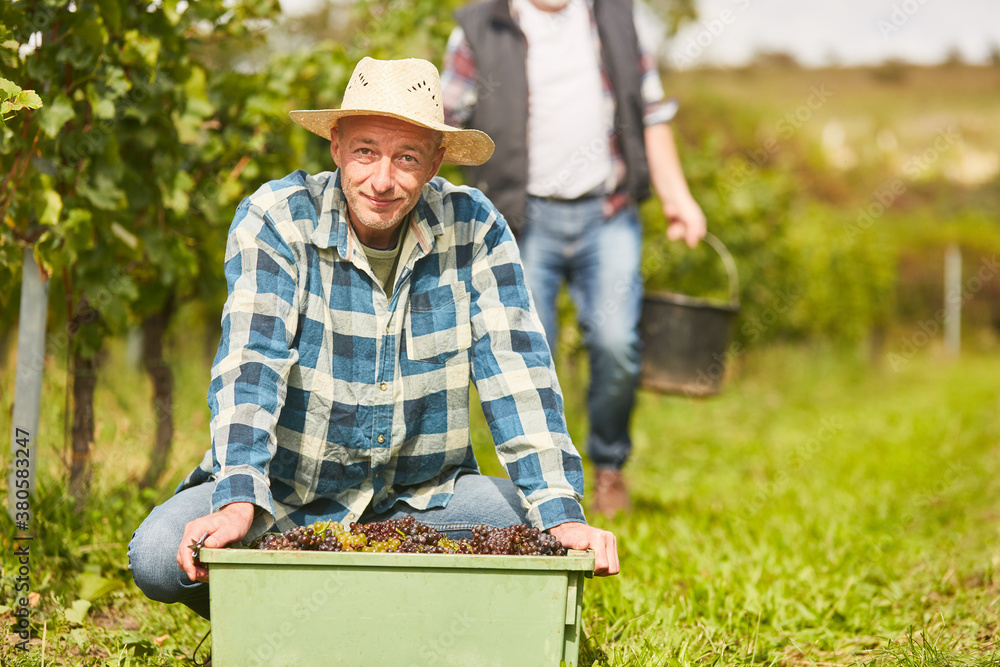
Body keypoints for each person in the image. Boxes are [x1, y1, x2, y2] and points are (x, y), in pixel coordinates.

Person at [128, 57, 619, 620]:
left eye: (407, 157)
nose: (382, 180)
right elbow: (251, 363)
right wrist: (239, 497)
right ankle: (321, 616)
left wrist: (560, 513)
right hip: (284, 498)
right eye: (365, 151)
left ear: (436, 161)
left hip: (422, 502)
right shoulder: (278, 220)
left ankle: (368, 616)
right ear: (335, 145)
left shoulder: (474, 228)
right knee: (161, 555)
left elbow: (516, 371)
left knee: (531, 531)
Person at [441, 0, 707, 517]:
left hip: (605, 212)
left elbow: (650, 113)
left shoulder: (615, 16)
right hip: (522, 218)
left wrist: (679, 198)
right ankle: (544, 489)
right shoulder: (483, 23)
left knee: (615, 342)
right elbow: (446, 124)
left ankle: (609, 467)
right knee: (524, 356)